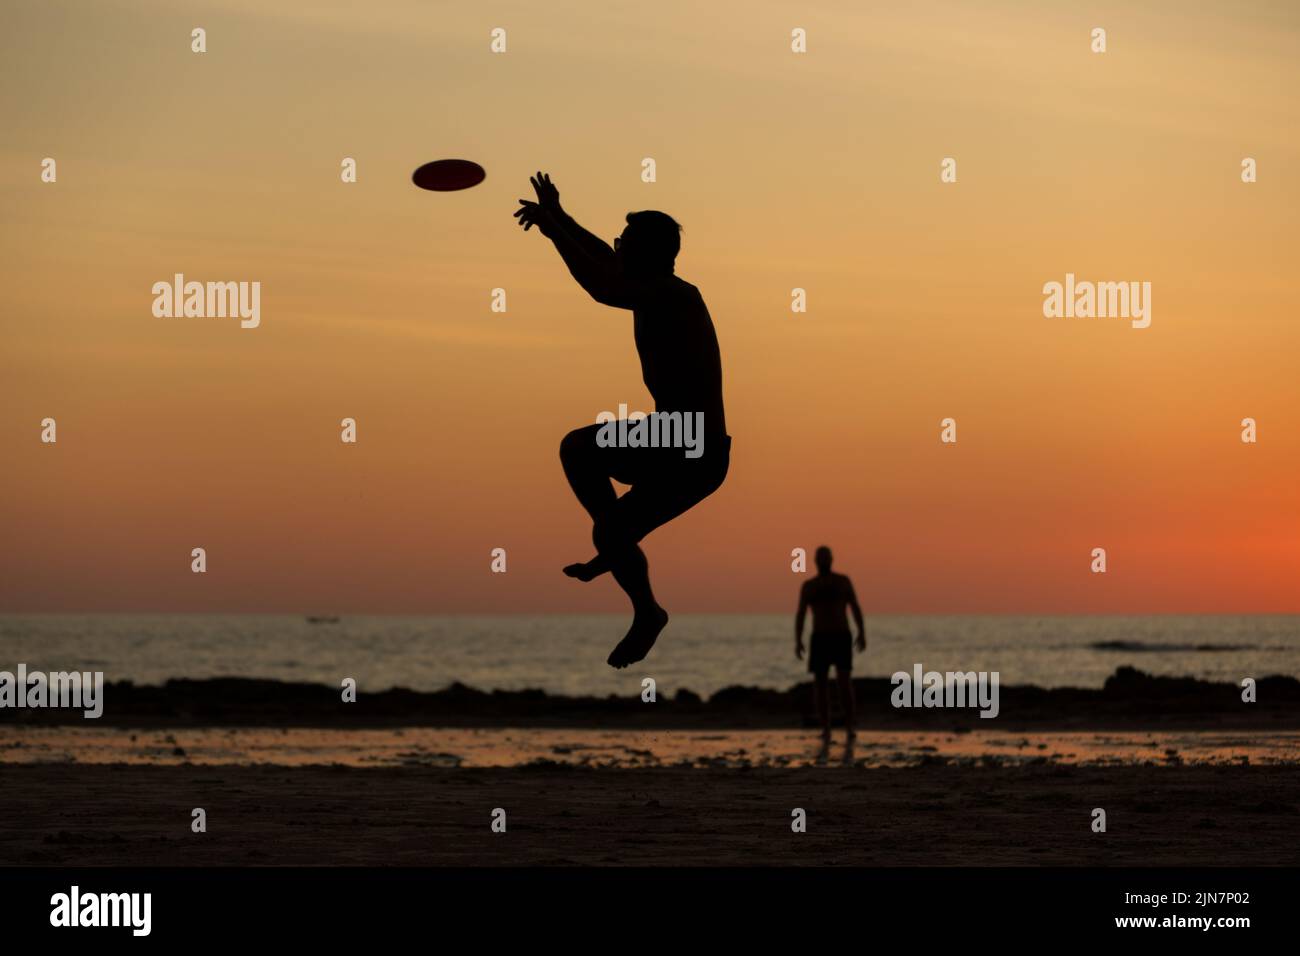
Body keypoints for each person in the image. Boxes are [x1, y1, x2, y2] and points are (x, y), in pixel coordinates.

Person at [514, 173, 730, 668]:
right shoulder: (651, 284)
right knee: (609, 532)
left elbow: (600, 284)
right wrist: (560, 218)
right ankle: (647, 610)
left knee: (578, 449)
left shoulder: (673, 295)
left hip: (689, 445)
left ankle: (613, 543)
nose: (616, 249)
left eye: (625, 243)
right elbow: (608, 265)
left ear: (651, 255)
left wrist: (553, 231)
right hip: (688, 450)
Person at [795, 546, 866, 741]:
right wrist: (798, 639)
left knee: (844, 682)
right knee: (820, 685)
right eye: (820, 557)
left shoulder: (843, 582)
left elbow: (855, 607)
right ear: (815, 560)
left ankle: (850, 726)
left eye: (826, 557)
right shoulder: (809, 586)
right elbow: (801, 613)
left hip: (841, 636)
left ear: (832, 559)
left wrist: (862, 632)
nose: (823, 560)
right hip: (820, 637)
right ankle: (826, 728)